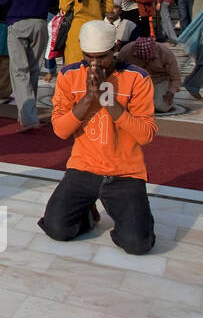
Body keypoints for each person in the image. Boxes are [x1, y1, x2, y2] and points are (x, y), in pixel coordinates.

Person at [38, 19, 157, 254]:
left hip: (125, 172)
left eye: (101, 57)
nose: (94, 64)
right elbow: (61, 131)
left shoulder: (137, 78)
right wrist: (88, 99)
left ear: (115, 49)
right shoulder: (69, 75)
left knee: (137, 244)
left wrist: (110, 104)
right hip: (84, 168)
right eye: (88, 57)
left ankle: (132, 218)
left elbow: (146, 135)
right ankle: (88, 214)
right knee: (56, 229)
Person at [2, 0, 57, 129]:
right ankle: (27, 112)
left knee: (19, 70)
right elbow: (54, 0)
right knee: (33, 69)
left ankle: (28, 117)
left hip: (17, 21)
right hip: (40, 21)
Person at [115, 36, 181, 113]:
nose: (146, 61)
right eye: (142, 59)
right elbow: (118, 72)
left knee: (161, 107)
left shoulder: (165, 53)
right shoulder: (126, 51)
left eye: (150, 59)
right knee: (125, 104)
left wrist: (171, 92)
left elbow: (176, 78)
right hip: (135, 82)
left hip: (158, 81)